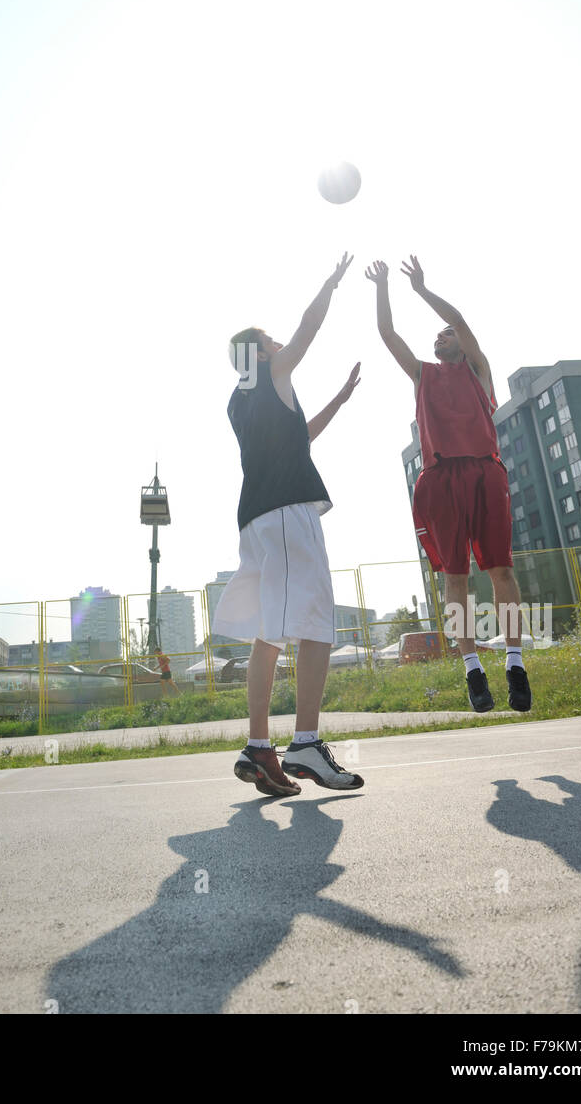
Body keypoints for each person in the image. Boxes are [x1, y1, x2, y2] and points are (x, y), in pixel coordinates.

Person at [214, 253, 365, 796]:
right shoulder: (272, 375)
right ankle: (304, 742)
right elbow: (309, 328)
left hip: (259, 517)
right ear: (260, 353)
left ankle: (260, 749)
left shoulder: (241, 398)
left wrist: (339, 402)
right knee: (317, 623)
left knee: (271, 632)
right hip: (284, 516)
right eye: (272, 340)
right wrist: (330, 282)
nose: (282, 344)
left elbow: (296, 442)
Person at [365, 255, 531, 714]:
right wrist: (383, 287)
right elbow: (387, 334)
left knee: (502, 571)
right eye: (437, 336)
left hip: (484, 470)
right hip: (441, 479)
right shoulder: (423, 374)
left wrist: (421, 290)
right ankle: (473, 669)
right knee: (455, 579)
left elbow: (458, 319)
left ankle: (515, 664)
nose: (441, 336)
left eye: (446, 334)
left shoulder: (479, 370)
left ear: (462, 342)